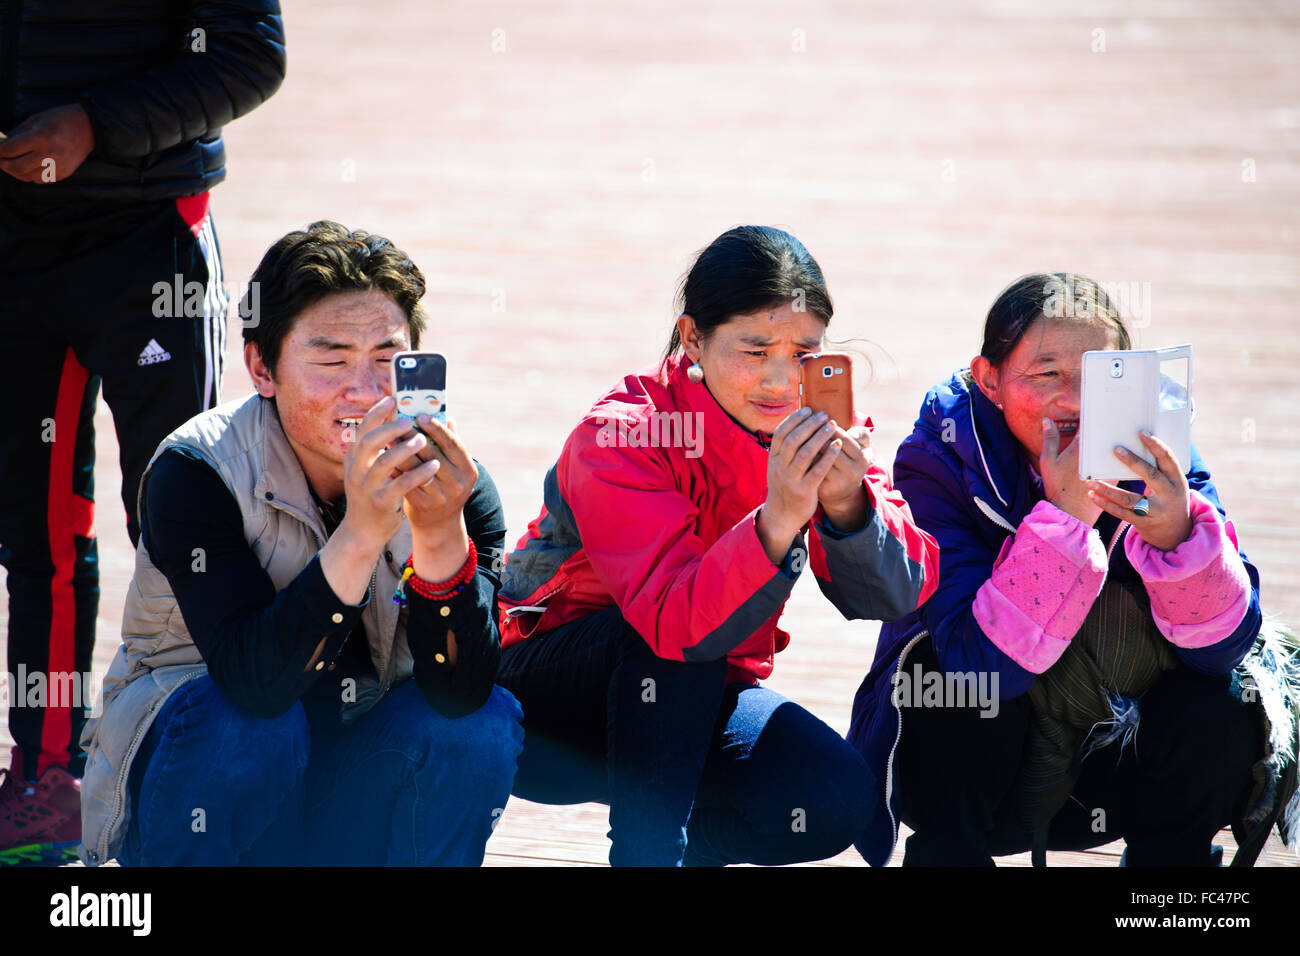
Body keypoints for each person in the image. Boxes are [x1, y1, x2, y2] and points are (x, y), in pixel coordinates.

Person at [76, 222, 524, 866]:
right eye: (333, 359)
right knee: (251, 724)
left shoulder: (454, 484)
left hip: (344, 781)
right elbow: (257, 687)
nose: (366, 392)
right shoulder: (197, 471)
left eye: (387, 360)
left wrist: (436, 534)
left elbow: (462, 693)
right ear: (262, 367)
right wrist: (363, 533)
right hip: (199, 777)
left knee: (478, 728)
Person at [496, 225, 940, 866]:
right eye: (755, 350)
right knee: (668, 639)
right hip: (540, 704)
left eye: (804, 352)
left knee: (831, 797)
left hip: (688, 700)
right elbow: (674, 621)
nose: (782, 380)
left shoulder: (820, 426)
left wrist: (848, 506)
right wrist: (778, 520)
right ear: (692, 338)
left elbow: (896, 593)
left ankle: (684, 853)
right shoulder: (623, 435)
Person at [848, 273, 1299, 867]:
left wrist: (1177, 538)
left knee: (1220, 698)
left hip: (1118, 753)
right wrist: (1064, 520)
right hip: (986, 772)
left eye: (1101, 378)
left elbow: (1222, 649)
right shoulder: (941, 459)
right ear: (990, 381)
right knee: (948, 685)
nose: (1076, 402)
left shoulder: (1159, 449)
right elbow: (976, 663)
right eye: (1046, 374)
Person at [0, 0, 286, 863]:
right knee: (34, 533)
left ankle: (184, 767)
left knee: (177, 522)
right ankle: (46, 776)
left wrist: (94, 125)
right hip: (13, 245)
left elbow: (249, 57)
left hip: (149, 234)